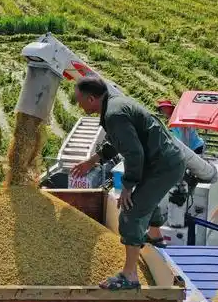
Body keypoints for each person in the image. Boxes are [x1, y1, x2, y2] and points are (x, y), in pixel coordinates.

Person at [70, 77, 186, 290]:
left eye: (80, 101)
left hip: (161, 165)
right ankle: (155, 237)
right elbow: (118, 141)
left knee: (130, 211)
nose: (79, 105)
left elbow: (134, 153)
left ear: (92, 98)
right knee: (145, 201)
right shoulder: (114, 103)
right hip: (164, 161)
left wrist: (127, 186)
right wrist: (92, 161)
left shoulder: (114, 115)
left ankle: (130, 276)